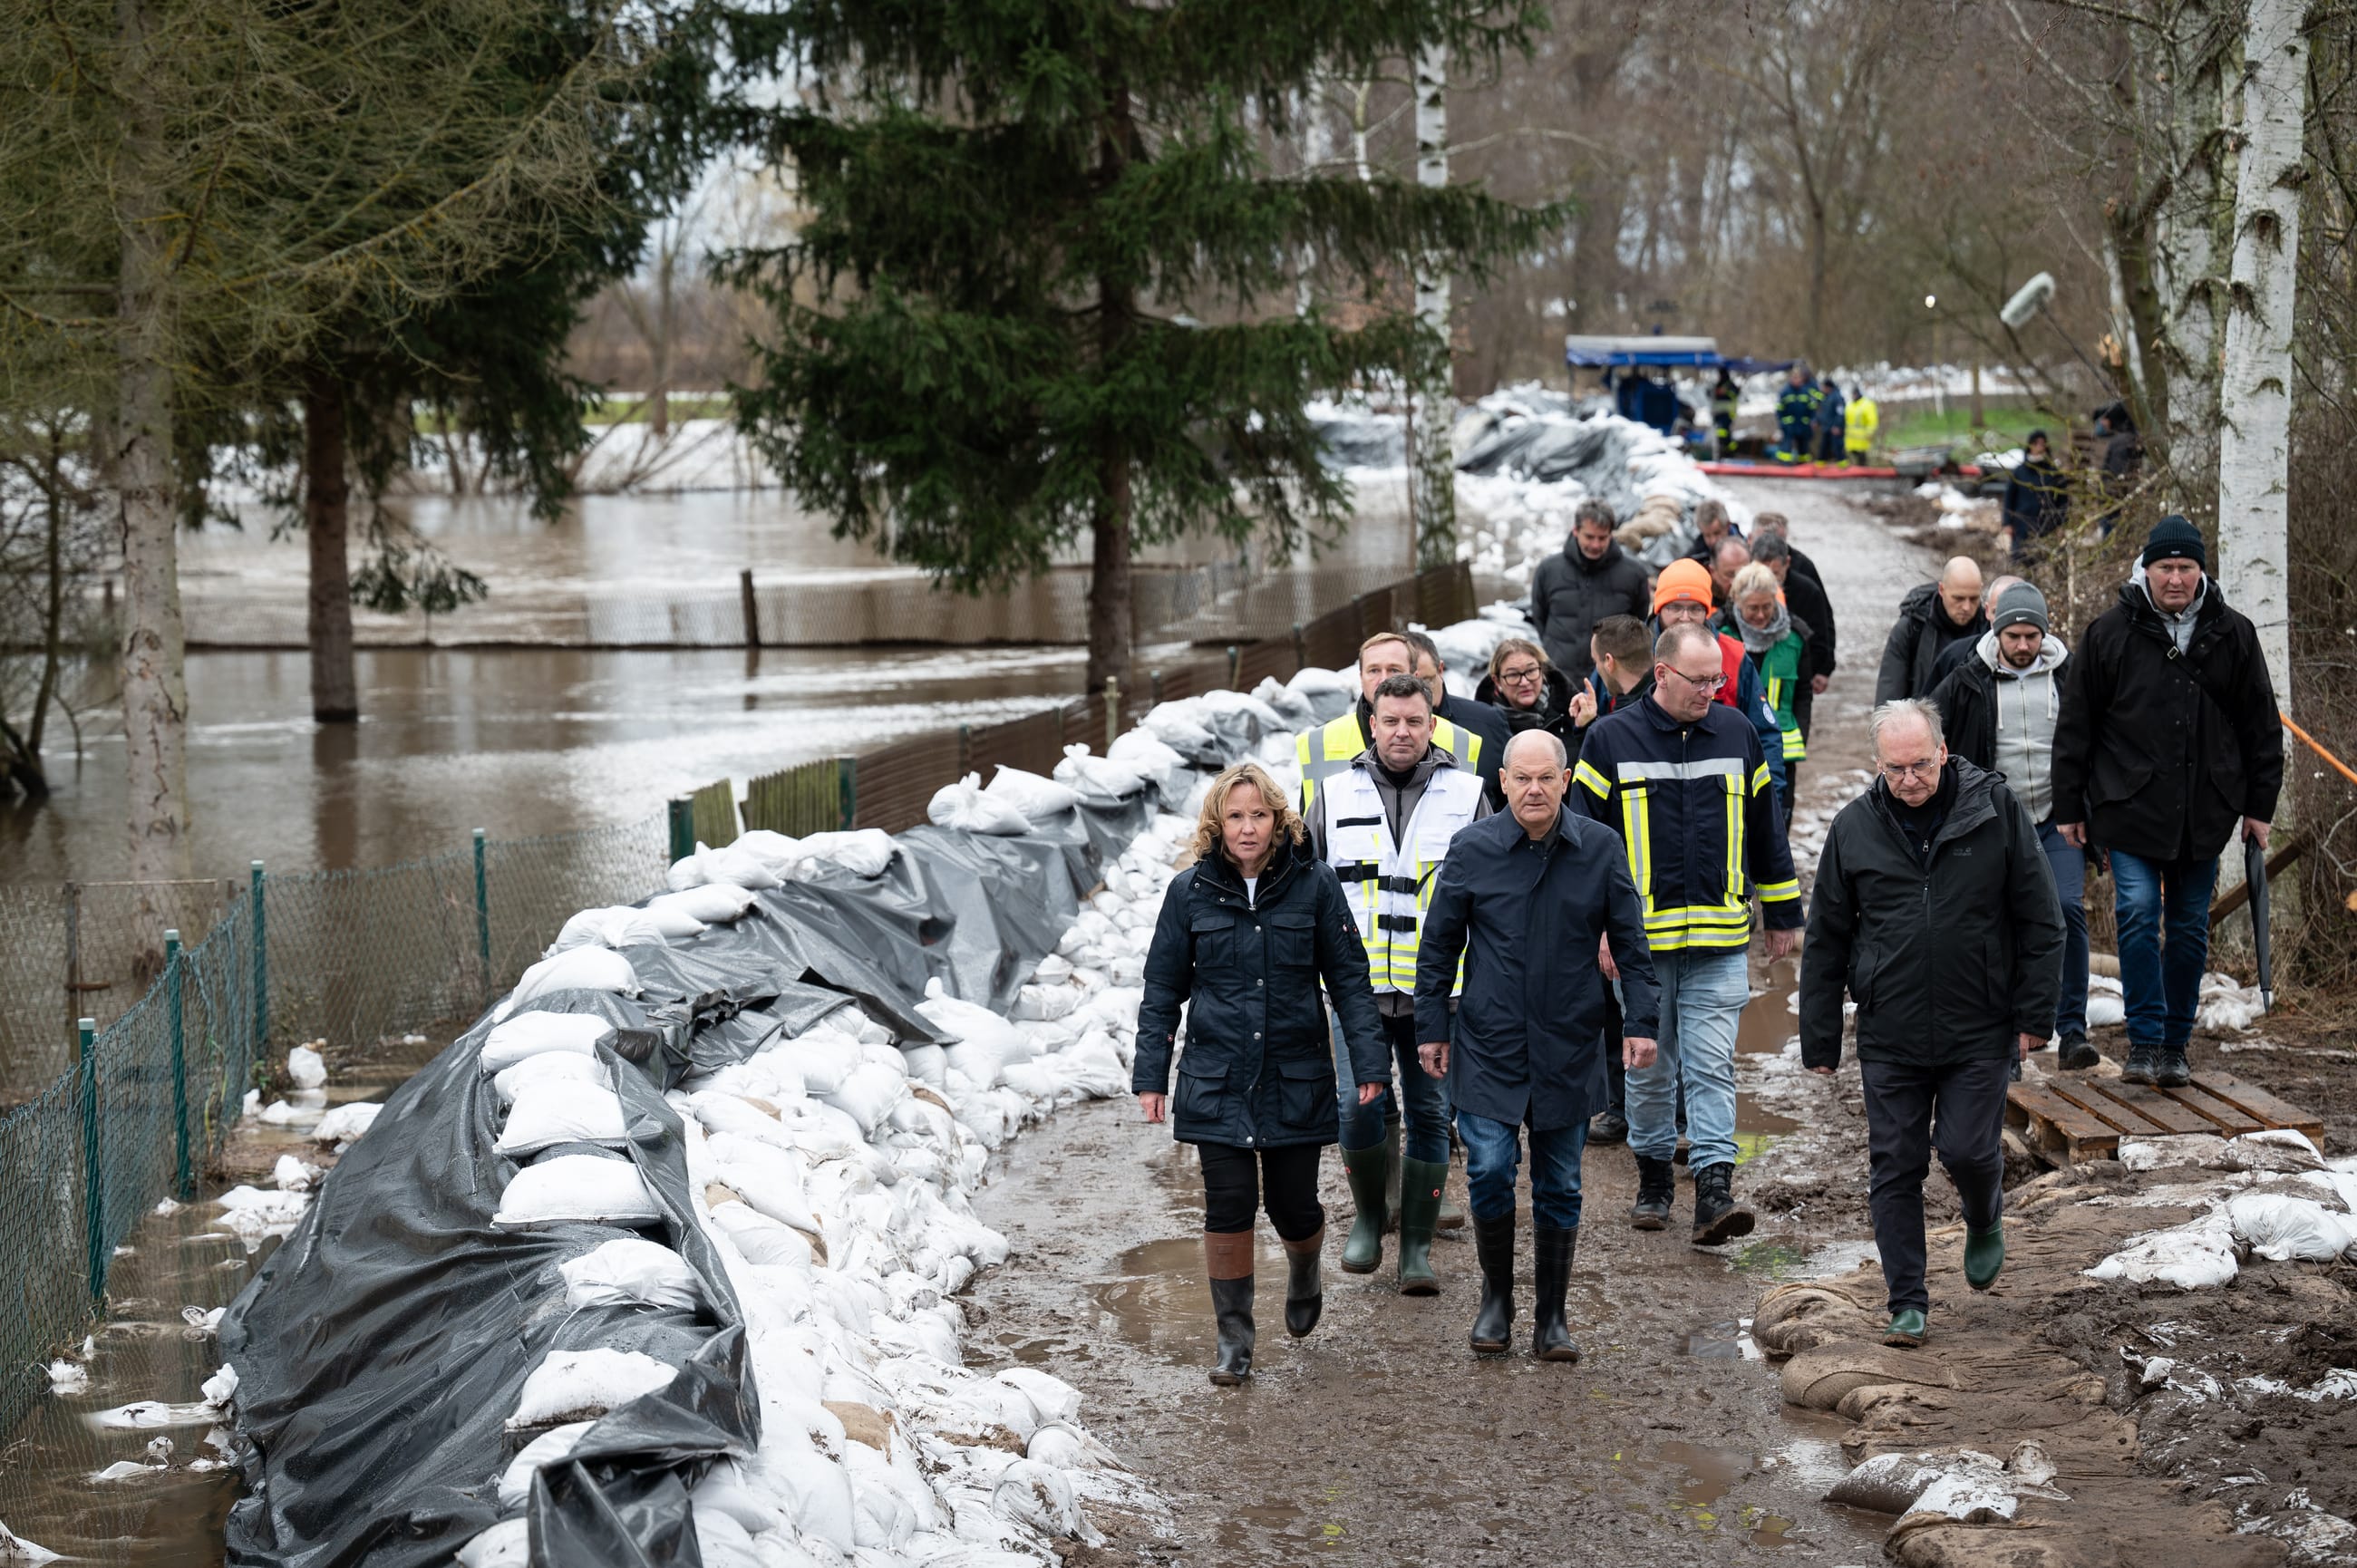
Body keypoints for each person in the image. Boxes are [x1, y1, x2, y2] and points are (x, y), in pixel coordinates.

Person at [1799, 701, 2062, 1348]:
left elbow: (2041, 918)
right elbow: (1827, 939)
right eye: (1896, 769)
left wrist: (2034, 1015)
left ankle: (1984, 1213)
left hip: (1980, 1021)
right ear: (1878, 764)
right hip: (1891, 1027)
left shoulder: (1995, 813)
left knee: (1969, 1151)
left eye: (1920, 765)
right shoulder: (1855, 828)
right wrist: (1821, 1038)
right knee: (1896, 1164)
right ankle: (1907, 1303)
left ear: (1943, 753)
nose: (1910, 779)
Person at [1134, 762, 1389, 1384]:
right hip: (1216, 1075)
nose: (1247, 828)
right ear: (1217, 824)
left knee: (1291, 1205)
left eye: (1259, 815)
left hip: (1294, 1073)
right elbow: (1162, 989)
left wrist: (1369, 1060)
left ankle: (1305, 1267)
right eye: (1235, 816)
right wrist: (1151, 1074)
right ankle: (1234, 1338)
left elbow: (1350, 981)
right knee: (1229, 1204)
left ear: (1279, 821)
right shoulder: (1188, 893)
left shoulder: (1315, 886)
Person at [1415, 730, 1661, 1360]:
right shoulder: (1471, 851)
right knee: (1491, 1168)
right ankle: (1496, 1298)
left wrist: (1641, 1022)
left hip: (1569, 1042)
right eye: (1520, 779)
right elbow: (1439, 945)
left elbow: (1631, 942)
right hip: (1489, 1041)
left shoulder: (1600, 849)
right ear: (1502, 782)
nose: (1532, 790)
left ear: (1564, 779)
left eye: (1544, 778)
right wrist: (1431, 1029)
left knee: (1560, 1184)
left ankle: (1552, 1316)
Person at [1573, 623, 1803, 1244]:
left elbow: (1765, 826)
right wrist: (1594, 928)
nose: (1712, 690)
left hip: (1719, 943)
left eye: (1717, 680)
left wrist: (1782, 911)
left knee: (1710, 1066)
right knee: (1648, 1072)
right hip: (1638, 951)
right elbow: (1581, 846)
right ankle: (1652, 1177)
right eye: (1700, 681)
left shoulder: (1737, 733)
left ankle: (1713, 1190)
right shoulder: (1609, 739)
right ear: (1662, 673)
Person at [2052, 516, 2283, 1087]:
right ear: (2146, 570)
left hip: (2204, 809)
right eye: (2165, 568)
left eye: (2185, 567)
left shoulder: (2234, 633)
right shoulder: (2108, 633)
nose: (2176, 578)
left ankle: (2176, 1044)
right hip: (2126, 805)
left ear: (2201, 570)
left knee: (2186, 928)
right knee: (2135, 914)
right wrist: (2068, 807)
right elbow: (2076, 726)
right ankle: (2145, 1039)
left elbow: (2261, 727)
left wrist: (2260, 807)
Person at [1307, 674, 1491, 1293]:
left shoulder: (1467, 796)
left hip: (1436, 990)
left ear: (1431, 724)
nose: (1403, 732)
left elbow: (1491, 893)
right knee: (1357, 1109)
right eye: (1392, 722)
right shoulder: (1332, 795)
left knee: (1431, 1112)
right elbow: (1306, 889)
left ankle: (1416, 1247)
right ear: (1373, 725)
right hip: (1353, 991)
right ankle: (1367, 1217)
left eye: (1415, 721)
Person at [1928, 582, 2089, 1075]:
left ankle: (2073, 1030)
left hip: (2056, 821)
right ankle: (2007, 1042)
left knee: (2065, 910)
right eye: (2013, 636)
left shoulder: (2071, 674)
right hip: (1994, 823)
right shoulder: (1967, 676)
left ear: (2045, 633)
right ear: (1997, 632)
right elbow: (1931, 731)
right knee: (1998, 924)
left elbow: (2100, 734)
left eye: (2031, 636)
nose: (2022, 646)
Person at [1296, 632, 1488, 814]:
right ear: (1360, 677)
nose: (1383, 679)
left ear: (1415, 676)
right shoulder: (1318, 743)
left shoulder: (1461, 740)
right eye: (1373, 670)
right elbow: (1310, 837)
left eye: (1394, 670)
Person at [1652, 559, 1789, 807]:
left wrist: (1771, 806)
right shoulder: (1630, 654)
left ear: (1708, 611)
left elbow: (1765, 735)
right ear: (1658, 609)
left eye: (1695, 608)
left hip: (1720, 802)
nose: (1685, 618)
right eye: (1674, 607)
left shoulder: (1734, 657)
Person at [1719, 563, 1812, 820]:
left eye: (1767, 607)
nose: (1761, 615)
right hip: (1733, 748)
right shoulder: (1719, 635)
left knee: (1778, 819)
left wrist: (1801, 733)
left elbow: (1803, 692)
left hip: (1782, 752)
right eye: (1753, 608)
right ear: (1737, 602)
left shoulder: (1795, 637)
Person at [1528, 499, 1653, 682]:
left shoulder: (1634, 575)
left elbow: (1638, 623)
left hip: (1611, 682)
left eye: (1602, 538)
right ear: (1576, 531)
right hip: (1560, 678)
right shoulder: (1548, 570)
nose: (1595, 545)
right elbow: (1540, 618)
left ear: (1611, 534)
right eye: (1589, 537)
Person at [1746, 528, 1835, 745]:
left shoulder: (1807, 591)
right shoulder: (1743, 591)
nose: (1768, 581)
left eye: (1775, 574)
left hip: (1792, 682)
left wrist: (1823, 670)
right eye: (1762, 572)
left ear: (1787, 563)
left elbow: (1822, 632)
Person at [1876, 557, 1985, 704]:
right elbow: (1889, 691)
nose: (1966, 607)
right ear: (1942, 589)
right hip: (1920, 721)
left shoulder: (1988, 631)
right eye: (1958, 598)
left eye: (1973, 599)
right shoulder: (1911, 628)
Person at [1478, 638, 1577, 747]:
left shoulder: (1574, 714)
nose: (1524, 682)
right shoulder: (1484, 728)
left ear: (1542, 670)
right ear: (1497, 681)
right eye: (1513, 675)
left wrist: (1586, 724)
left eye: (1531, 671)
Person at [1928, 573, 2021, 691]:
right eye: (1998, 613)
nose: (2006, 623)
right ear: (1987, 611)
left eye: (2015, 614)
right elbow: (1929, 706)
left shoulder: (2050, 664)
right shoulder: (1954, 656)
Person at [2001, 431, 2070, 559]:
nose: (2039, 447)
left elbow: (2063, 502)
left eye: (2042, 444)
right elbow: (2009, 499)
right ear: (2029, 446)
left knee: (2047, 559)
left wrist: (2062, 524)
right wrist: (2007, 523)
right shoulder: (2019, 472)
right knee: (2021, 559)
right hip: (2022, 526)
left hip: (2047, 526)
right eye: (2035, 444)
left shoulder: (2053, 473)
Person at [1775, 366, 1819, 461]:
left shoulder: (1806, 392)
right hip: (1789, 426)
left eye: (1799, 378)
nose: (1798, 380)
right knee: (1786, 447)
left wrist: (1813, 420)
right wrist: (1782, 423)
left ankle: (1802, 465)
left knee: (1803, 448)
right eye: (1795, 378)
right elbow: (1779, 410)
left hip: (1803, 425)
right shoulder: (1785, 392)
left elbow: (1812, 408)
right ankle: (1785, 465)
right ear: (1791, 379)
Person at [1684, 498, 1741, 566]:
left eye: (1717, 533)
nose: (1713, 541)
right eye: (1707, 535)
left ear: (1727, 525)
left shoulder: (1748, 548)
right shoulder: (1693, 559)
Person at [1710, 537, 1751, 610]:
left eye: (1743, 574)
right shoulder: (1702, 610)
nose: (1737, 582)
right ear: (1713, 572)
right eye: (1730, 575)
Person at [1812, 379, 1847, 464]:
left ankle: (1843, 467)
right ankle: (1820, 466)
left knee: (1837, 448)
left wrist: (1838, 426)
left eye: (1823, 387)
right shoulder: (1825, 397)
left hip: (1834, 428)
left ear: (1828, 387)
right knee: (1823, 447)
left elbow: (1840, 414)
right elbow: (1824, 414)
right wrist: (1817, 421)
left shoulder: (1837, 397)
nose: (1822, 389)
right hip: (1826, 427)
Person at [1844, 384, 1878, 466]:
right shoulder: (1850, 405)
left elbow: (1872, 421)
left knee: (1862, 459)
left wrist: (1870, 433)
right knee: (1852, 459)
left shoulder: (1867, 404)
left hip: (1863, 438)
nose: (1853, 396)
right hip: (1851, 440)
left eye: (1854, 394)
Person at [1709, 368, 1740, 458]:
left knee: (1724, 432)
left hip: (1727, 412)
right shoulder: (1718, 384)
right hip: (1718, 412)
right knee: (1721, 432)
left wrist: (1726, 392)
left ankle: (1729, 451)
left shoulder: (1730, 385)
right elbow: (1712, 395)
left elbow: (1735, 394)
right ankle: (1723, 450)